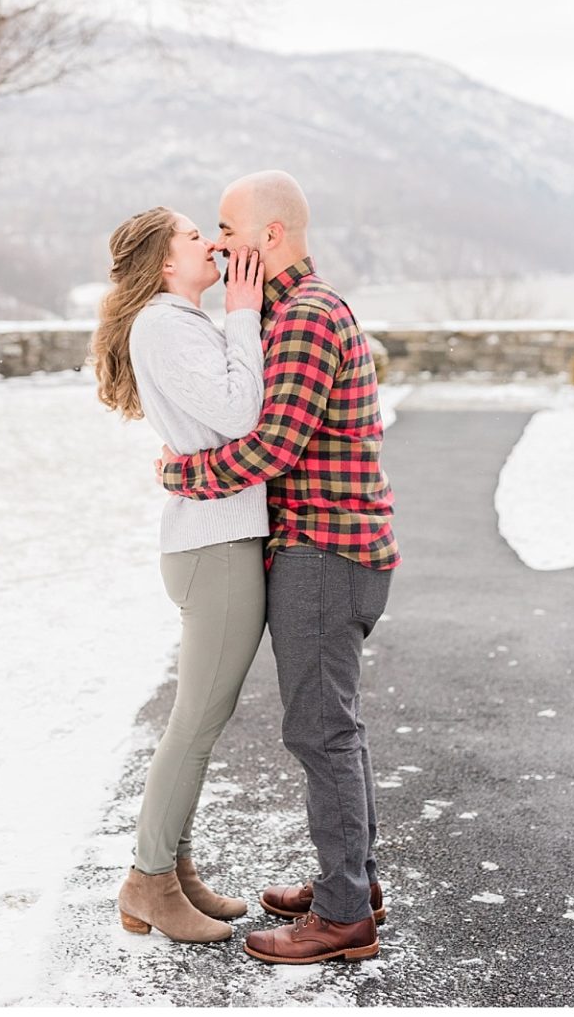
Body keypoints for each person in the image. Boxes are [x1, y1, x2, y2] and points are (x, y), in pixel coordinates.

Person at [157, 170, 398, 965]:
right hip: (334, 549)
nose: (219, 243)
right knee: (337, 725)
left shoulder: (303, 317)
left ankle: (340, 919)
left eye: (227, 228)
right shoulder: (300, 311)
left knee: (320, 729)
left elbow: (272, 446)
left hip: (323, 551)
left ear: (271, 236)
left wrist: (179, 473)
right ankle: (350, 883)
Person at [91, 207, 268, 943]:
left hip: (216, 538)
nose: (212, 242)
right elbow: (238, 411)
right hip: (214, 545)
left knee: (201, 721)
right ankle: (147, 879)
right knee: (194, 722)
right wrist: (246, 315)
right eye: (195, 235)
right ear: (167, 262)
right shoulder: (167, 324)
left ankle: (175, 868)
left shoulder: (176, 321)